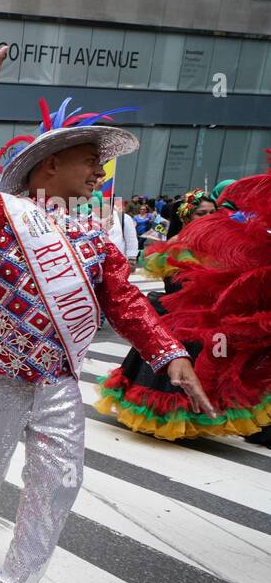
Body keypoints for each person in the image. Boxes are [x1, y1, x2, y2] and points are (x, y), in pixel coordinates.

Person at [0, 25, 214, 583]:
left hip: (60, 380)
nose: (98, 172)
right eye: (90, 160)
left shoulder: (94, 237)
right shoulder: (1, 218)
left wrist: (173, 355)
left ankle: (19, 577)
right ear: (47, 167)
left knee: (60, 478)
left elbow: (127, 303)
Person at [97, 170, 271, 441]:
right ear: (187, 216)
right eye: (201, 213)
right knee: (170, 376)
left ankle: (200, 417)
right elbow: (175, 285)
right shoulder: (176, 245)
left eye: (211, 212)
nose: (208, 217)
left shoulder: (219, 245)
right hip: (177, 322)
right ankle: (165, 418)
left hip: (208, 322)